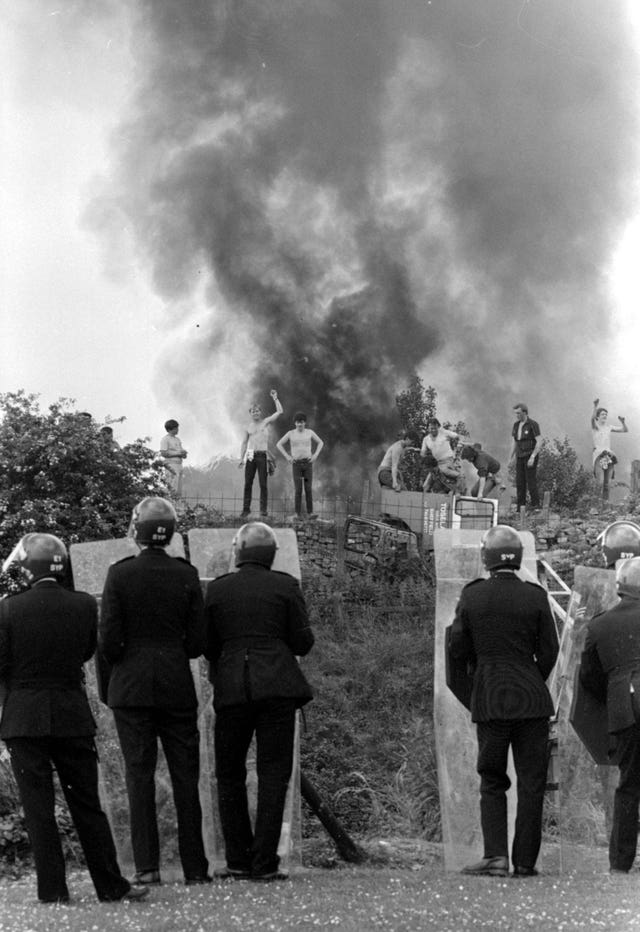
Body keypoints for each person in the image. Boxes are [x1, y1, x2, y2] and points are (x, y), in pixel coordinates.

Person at [0, 534, 148, 905]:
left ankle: (53, 890)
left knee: (38, 808)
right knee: (87, 804)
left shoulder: (7, 609)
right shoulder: (83, 604)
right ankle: (110, 885)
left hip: (24, 718)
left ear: (27, 568)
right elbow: (85, 652)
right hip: (71, 713)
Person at [98, 497, 210, 887]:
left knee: (138, 775)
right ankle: (195, 867)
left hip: (131, 687)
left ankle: (147, 866)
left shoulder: (119, 574)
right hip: (176, 684)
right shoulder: (187, 574)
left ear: (136, 529)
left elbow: (108, 641)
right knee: (186, 776)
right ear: (171, 532)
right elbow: (196, 643)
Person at [204, 523, 314, 882]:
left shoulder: (218, 589)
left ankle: (237, 859)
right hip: (277, 687)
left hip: (233, 688)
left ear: (238, 551)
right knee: (274, 773)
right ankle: (265, 862)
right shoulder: (286, 586)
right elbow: (303, 642)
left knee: (229, 774)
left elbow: (208, 644)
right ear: (271, 554)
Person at [449, 525, 559, 878]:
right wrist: (531, 679)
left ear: (486, 557)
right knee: (532, 782)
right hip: (532, 702)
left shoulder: (473, 595)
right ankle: (525, 861)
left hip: (490, 699)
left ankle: (495, 856)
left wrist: (477, 687)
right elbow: (550, 650)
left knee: (493, 779)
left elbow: (457, 649)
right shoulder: (536, 595)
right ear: (518, 557)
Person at [580, 557, 640, 873]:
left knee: (629, 784)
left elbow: (588, 676)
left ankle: (620, 862)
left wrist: (614, 692)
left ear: (620, 586)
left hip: (625, 708)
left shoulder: (600, 624)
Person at [239, 390, 283, 519]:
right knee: (248, 483)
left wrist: (275, 398)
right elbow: (244, 443)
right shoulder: (248, 427)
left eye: (257, 411)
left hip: (262, 455)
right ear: (250, 413)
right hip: (250, 454)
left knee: (263, 484)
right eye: (253, 411)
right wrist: (241, 458)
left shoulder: (265, 422)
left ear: (260, 412)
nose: (255, 413)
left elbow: (279, 412)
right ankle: (246, 510)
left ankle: (263, 511)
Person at [276, 413, 324, 519]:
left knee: (308, 488)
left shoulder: (310, 432)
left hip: (308, 464)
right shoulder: (290, 433)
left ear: (305, 422)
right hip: (296, 465)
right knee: (298, 490)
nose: (300, 424)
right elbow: (279, 444)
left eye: (301, 422)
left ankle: (310, 513)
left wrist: (315, 455)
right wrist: (287, 457)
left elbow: (321, 442)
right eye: (298, 422)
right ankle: (297, 514)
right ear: (295, 423)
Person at [591, 399, 628, 500]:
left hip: (608, 457)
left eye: (606, 415)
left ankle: (605, 505)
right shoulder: (595, 427)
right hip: (599, 456)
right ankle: (597, 504)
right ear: (597, 416)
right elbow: (592, 419)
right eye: (602, 414)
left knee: (607, 484)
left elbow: (625, 430)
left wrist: (623, 422)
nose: (605, 416)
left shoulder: (608, 427)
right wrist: (595, 406)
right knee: (600, 483)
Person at [509, 403, 542, 511]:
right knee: (520, 482)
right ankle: (520, 507)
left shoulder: (533, 424)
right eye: (516, 413)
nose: (517, 415)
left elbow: (539, 442)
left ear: (525, 412)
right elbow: (514, 442)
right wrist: (511, 457)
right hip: (519, 456)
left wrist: (533, 457)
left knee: (531, 480)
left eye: (518, 413)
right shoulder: (516, 425)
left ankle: (536, 506)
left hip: (530, 455)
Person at [421, 419, 459, 492]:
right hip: (436, 463)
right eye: (431, 428)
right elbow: (422, 453)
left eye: (435, 428)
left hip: (448, 461)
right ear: (428, 429)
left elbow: (457, 436)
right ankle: (424, 498)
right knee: (425, 485)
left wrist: (455, 448)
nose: (433, 430)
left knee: (446, 482)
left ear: (438, 427)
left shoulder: (444, 433)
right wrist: (425, 456)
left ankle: (454, 491)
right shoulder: (426, 439)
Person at [160, 419, 188, 496]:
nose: (177, 430)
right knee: (172, 486)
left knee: (179, 488)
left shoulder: (177, 439)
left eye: (177, 428)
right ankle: (170, 501)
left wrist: (183, 454)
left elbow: (181, 452)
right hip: (171, 465)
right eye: (175, 428)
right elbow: (163, 453)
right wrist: (178, 453)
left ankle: (177, 502)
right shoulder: (165, 439)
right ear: (169, 429)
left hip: (179, 465)